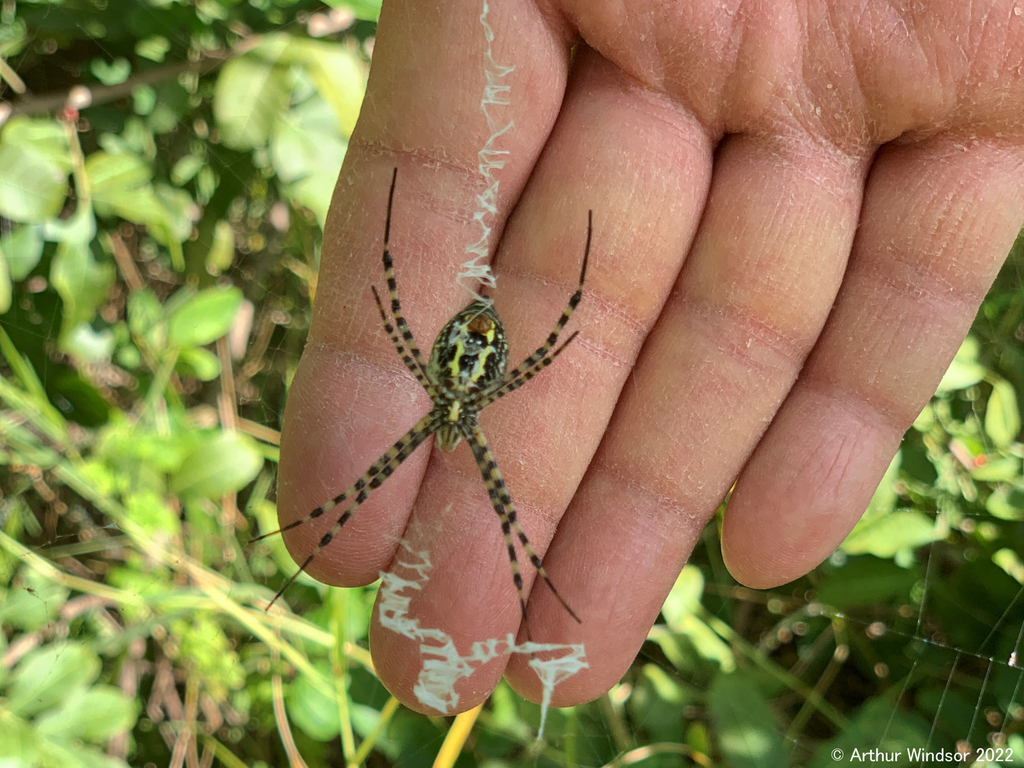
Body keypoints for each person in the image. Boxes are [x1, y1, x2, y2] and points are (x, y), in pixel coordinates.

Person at [276, 0, 1024, 712]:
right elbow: (417, 316)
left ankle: (527, 601)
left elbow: (485, 320)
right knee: (413, 499)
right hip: (473, 364)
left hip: (466, 364)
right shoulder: (462, 384)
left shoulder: (442, 381)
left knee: (447, 502)